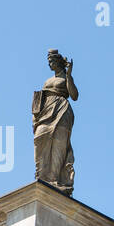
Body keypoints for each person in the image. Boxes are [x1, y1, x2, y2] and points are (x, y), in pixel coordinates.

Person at [32, 49, 78, 194]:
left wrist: (69, 75)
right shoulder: (47, 81)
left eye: (51, 61)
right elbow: (39, 100)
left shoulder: (66, 78)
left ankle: (56, 180)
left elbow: (74, 95)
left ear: (58, 62)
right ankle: (42, 176)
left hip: (62, 111)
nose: (49, 64)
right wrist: (35, 117)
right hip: (45, 113)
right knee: (40, 139)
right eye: (48, 62)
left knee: (59, 145)